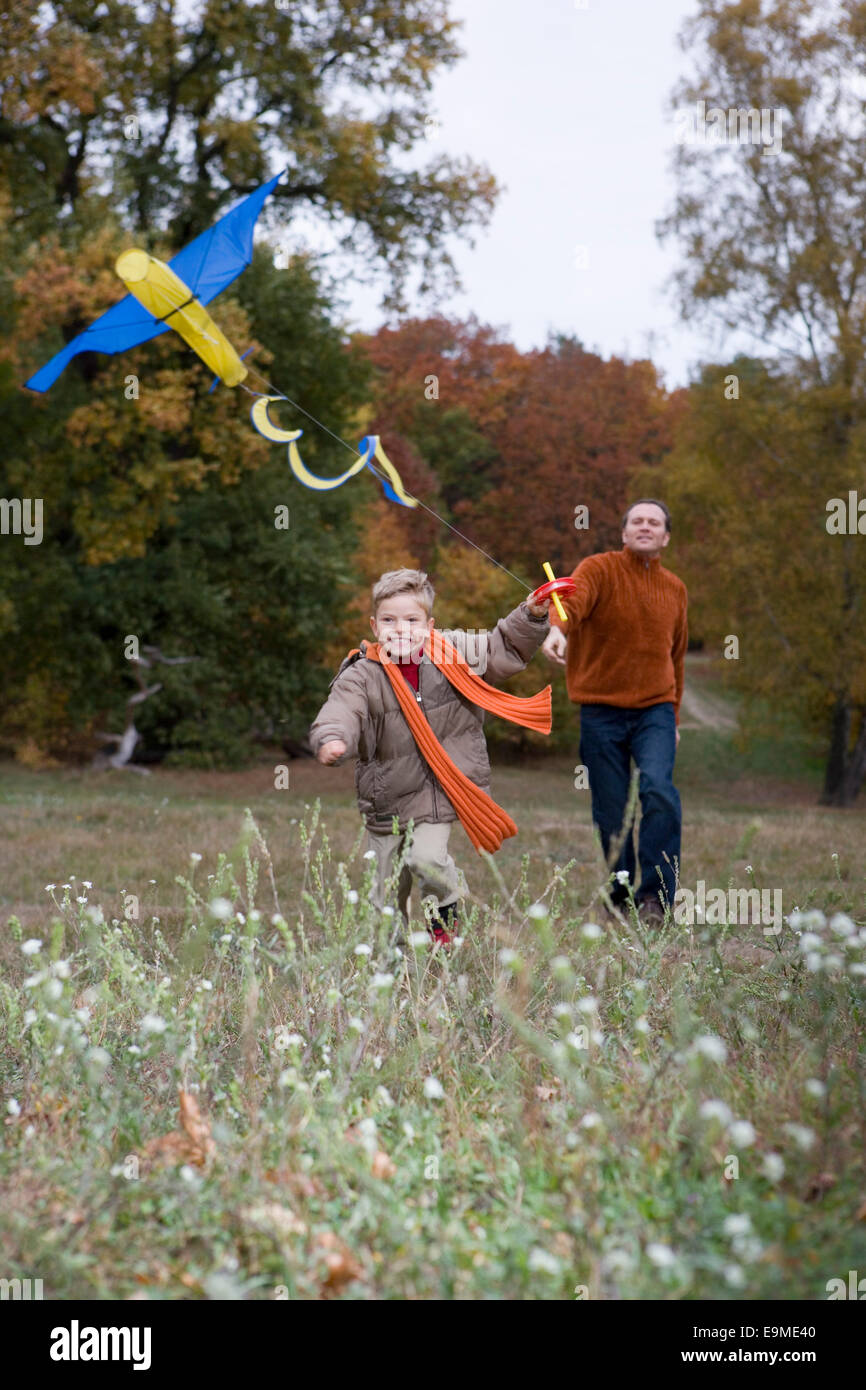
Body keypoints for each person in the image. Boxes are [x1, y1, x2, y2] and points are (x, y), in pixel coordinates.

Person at [310, 567, 551, 945]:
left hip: (438, 793)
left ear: (429, 624)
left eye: (411, 619)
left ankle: (446, 915)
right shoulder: (363, 673)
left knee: (427, 859)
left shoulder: (451, 649)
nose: (400, 628)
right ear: (374, 626)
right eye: (389, 620)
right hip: (386, 799)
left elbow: (501, 649)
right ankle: (391, 962)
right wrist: (332, 738)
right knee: (385, 891)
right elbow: (341, 710)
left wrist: (532, 615)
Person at [542, 500, 688, 922]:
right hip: (600, 710)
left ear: (665, 537)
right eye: (637, 521)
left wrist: (674, 717)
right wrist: (557, 629)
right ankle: (619, 894)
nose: (645, 527)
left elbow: (676, 657)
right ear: (624, 533)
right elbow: (573, 599)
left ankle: (655, 899)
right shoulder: (598, 568)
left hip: (655, 711)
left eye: (654, 522)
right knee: (610, 807)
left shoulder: (676, 589)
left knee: (659, 790)